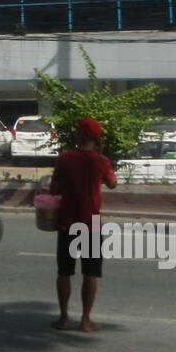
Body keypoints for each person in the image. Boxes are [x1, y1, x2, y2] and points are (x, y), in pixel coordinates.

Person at [48, 117, 117, 332]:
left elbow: (54, 190)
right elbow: (113, 184)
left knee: (64, 272)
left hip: (67, 224)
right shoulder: (101, 161)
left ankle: (63, 318)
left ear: (80, 135)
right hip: (91, 226)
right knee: (91, 273)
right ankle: (86, 320)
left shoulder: (65, 159)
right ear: (96, 138)